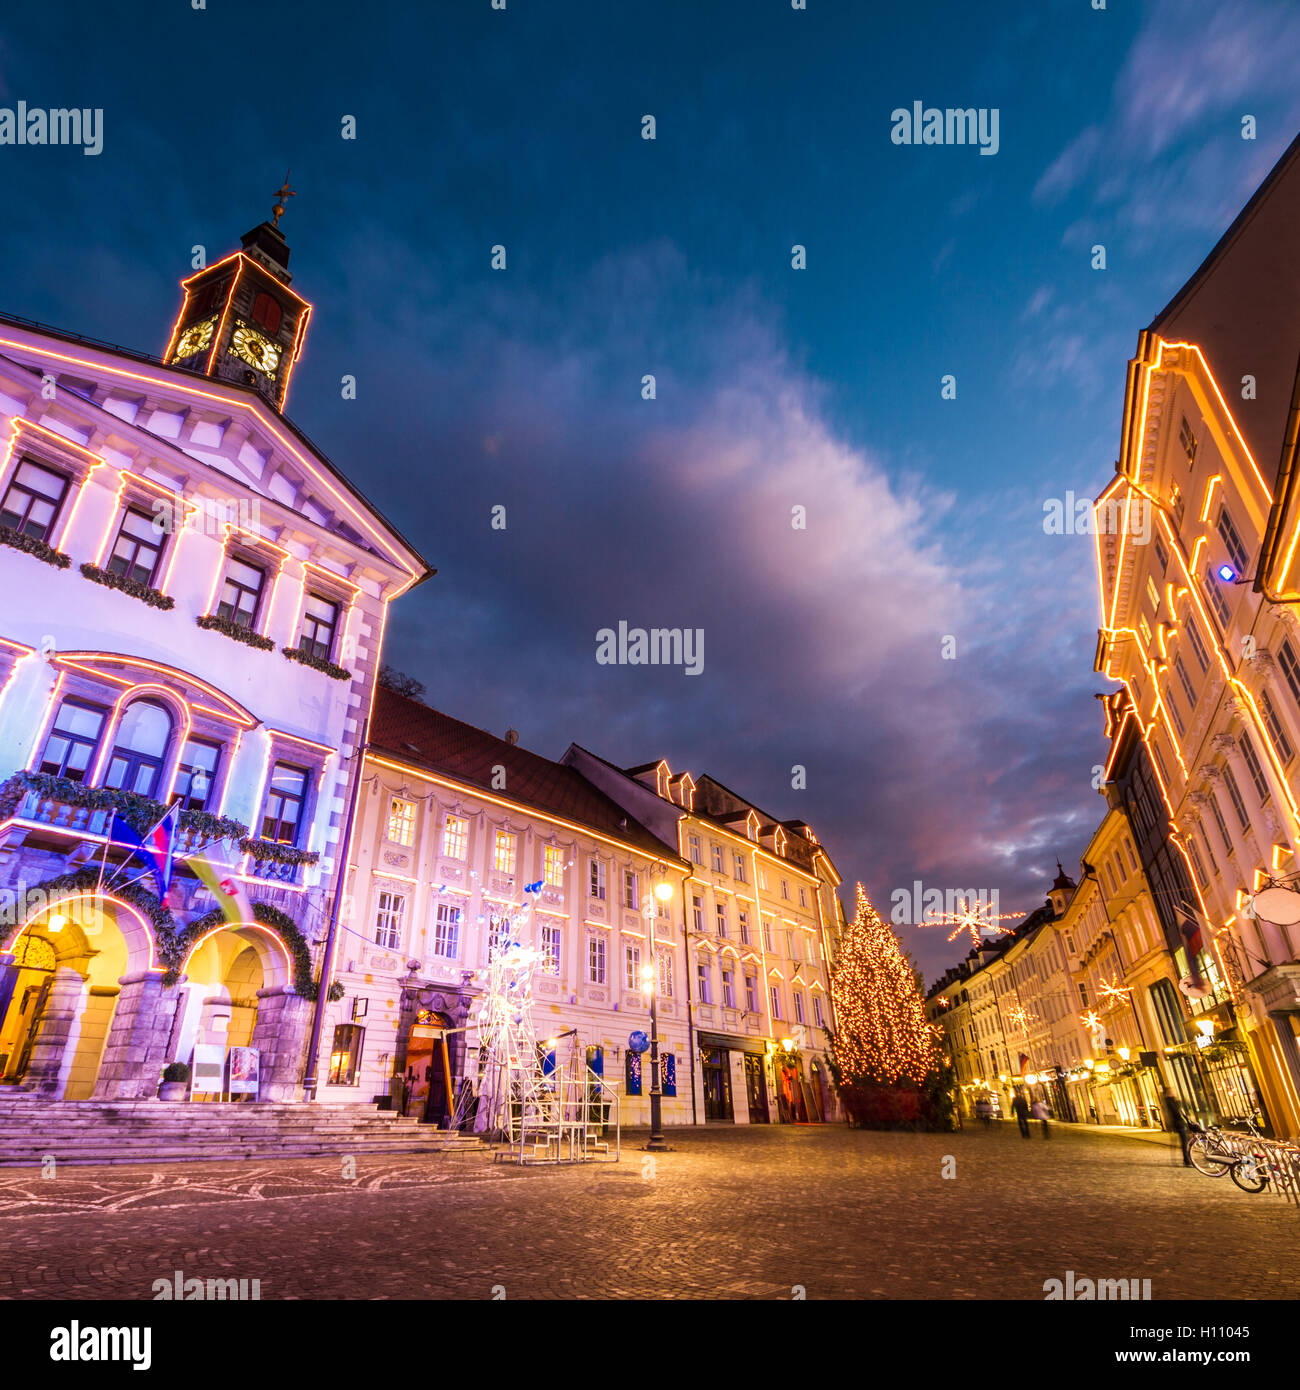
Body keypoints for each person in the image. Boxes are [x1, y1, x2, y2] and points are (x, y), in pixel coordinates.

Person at [1162, 1086, 1192, 1166]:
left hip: (1181, 1123)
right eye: (1172, 1091)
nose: (1174, 1093)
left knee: (1187, 1141)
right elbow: (1176, 1112)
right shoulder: (1170, 1101)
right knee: (1184, 1142)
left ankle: (1188, 1158)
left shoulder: (1173, 1100)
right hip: (1178, 1124)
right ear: (1169, 1093)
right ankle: (1187, 1160)